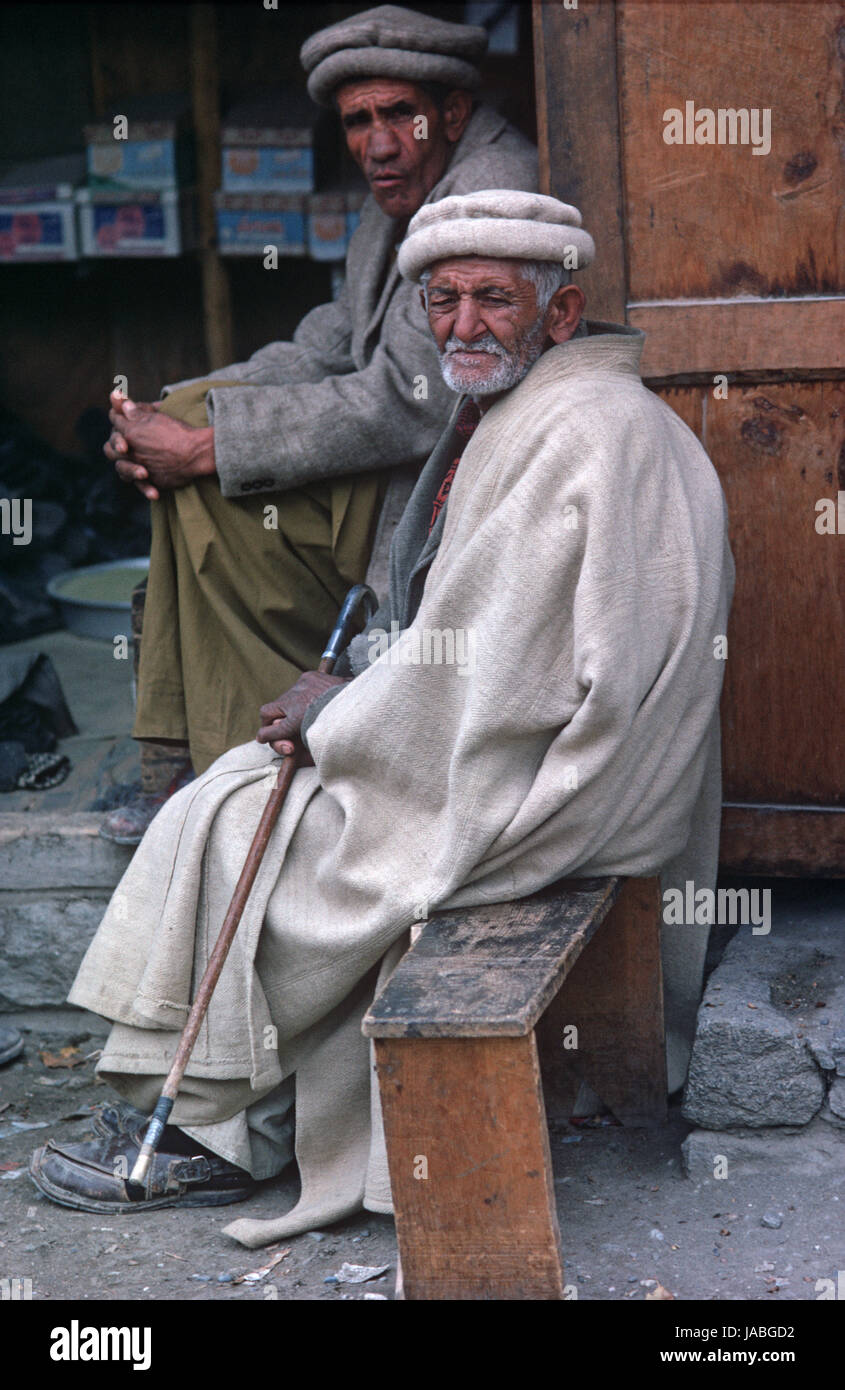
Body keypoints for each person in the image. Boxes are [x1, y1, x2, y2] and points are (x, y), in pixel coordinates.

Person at [32, 192, 734, 1252]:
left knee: (235, 824)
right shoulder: (544, 413)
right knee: (236, 797)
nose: (462, 326)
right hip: (558, 757)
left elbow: (495, 689)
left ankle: (215, 1132)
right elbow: (488, 656)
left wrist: (342, 712)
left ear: (559, 311)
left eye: (494, 300)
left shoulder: (575, 435)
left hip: (568, 791)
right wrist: (362, 686)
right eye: (441, 300)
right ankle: (223, 1110)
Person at [99, 3, 537, 843]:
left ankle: (225, 759)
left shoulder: (484, 187)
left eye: (396, 115)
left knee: (202, 495)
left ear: (448, 112)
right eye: (357, 122)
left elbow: (409, 399)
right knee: (191, 440)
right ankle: (194, 752)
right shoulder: (399, 189)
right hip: (395, 465)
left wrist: (204, 447)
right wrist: (182, 407)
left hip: (440, 495)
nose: (376, 144)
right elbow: (334, 338)